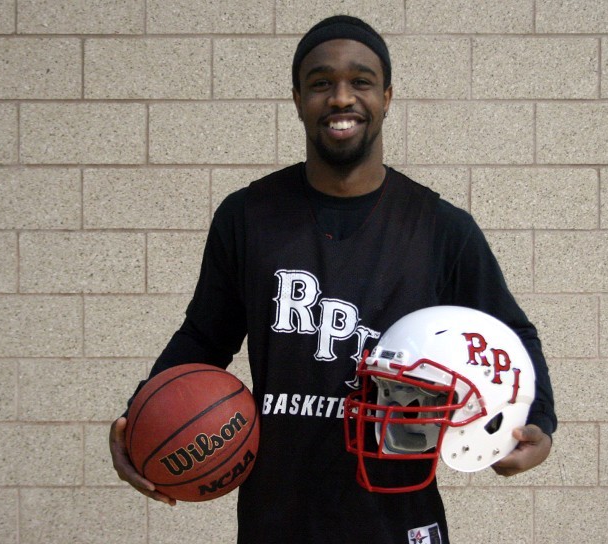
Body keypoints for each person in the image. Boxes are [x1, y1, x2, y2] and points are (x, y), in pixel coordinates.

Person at [110, 15, 556, 543]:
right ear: (298, 99)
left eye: (360, 81)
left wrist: (538, 422)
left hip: (397, 515)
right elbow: (204, 337)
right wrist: (139, 418)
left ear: (387, 96)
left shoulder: (441, 228)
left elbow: (511, 332)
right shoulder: (248, 216)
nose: (342, 97)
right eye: (322, 83)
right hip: (277, 517)